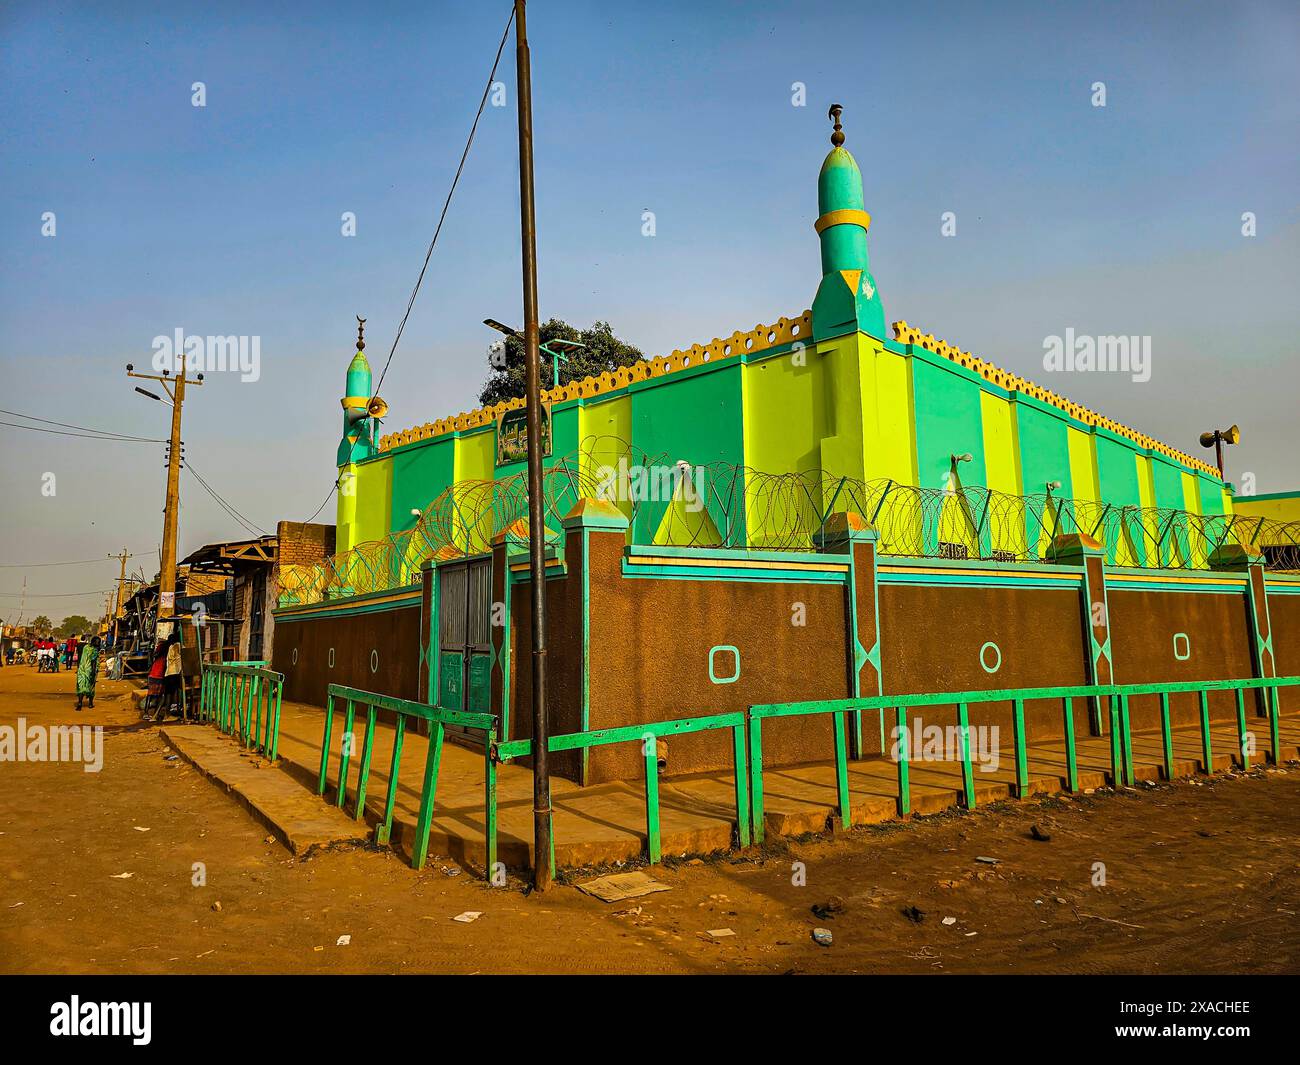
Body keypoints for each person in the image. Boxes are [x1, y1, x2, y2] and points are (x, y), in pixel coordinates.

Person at [159, 630, 182, 721]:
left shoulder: (170, 647)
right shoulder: (178, 646)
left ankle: (167, 714)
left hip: (168, 673)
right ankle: (171, 713)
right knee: (173, 693)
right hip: (174, 672)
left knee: (169, 694)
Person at [75, 635, 101, 712]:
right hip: (90, 670)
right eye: (98, 642)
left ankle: (80, 703)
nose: (98, 643)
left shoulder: (85, 647)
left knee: (81, 686)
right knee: (91, 686)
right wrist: (93, 672)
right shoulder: (95, 650)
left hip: (81, 669)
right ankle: (90, 703)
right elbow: (93, 662)